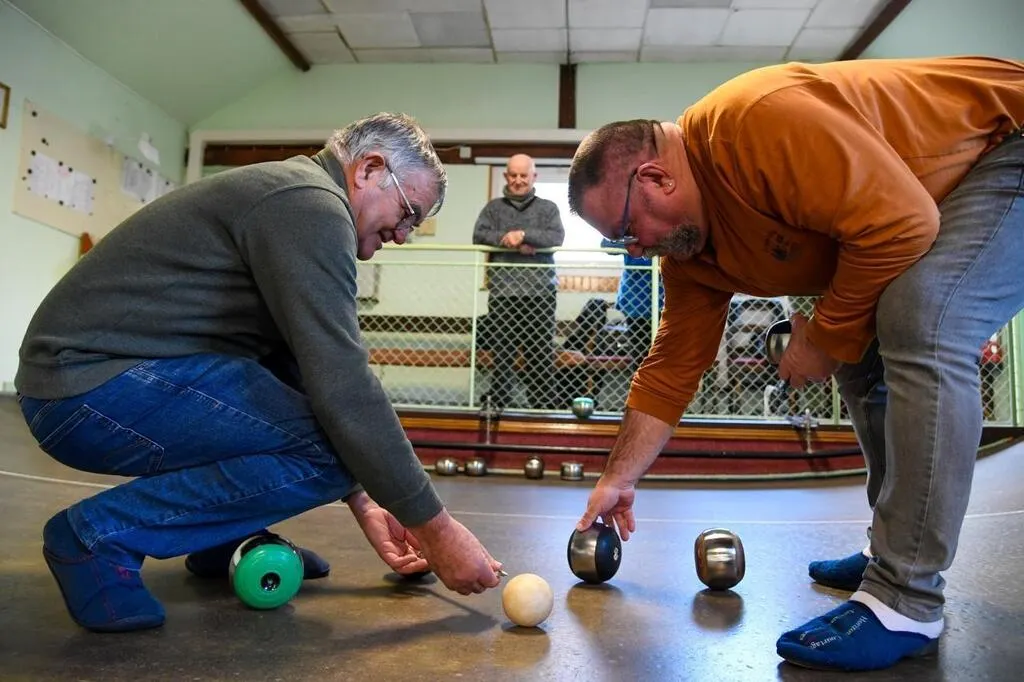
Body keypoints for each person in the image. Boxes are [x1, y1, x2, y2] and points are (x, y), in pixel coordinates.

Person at [565, 56, 1024, 672]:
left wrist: (824, 337)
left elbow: (904, 225)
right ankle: (893, 552)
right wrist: (618, 477)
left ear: (655, 178)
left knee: (924, 317)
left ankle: (906, 599)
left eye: (626, 230)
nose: (635, 249)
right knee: (863, 357)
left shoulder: (752, 126)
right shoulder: (692, 255)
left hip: (1008, 142)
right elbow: (671, 367)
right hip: (943, 196)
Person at [15, 112, 504, 634]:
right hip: (86, 389)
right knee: (328, 445)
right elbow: (342, 384)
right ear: (369, 169)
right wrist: (435, 528)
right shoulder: (309, 204)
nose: (405, 235)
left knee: (313, 429)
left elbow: (291, 367)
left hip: (93, 382)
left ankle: (217, 539)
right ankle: (98, 536)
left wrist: (363, 495)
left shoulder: (293, 197)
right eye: (409, 213)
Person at [473, 154, 565, 410]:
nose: (518, 180)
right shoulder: (493, 208)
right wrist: (507, 239)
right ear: (506, 176)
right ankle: (501, 402)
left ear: (533, 177)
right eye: (513, 175)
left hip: (541, 292)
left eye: (523, 175)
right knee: (503, 353)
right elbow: (478, 235)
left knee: (540, 353)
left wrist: (525, 235)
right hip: (503, 292)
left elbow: (557, 237)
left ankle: (543, 405)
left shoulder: (548, 208)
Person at [600, 238, 664, 367]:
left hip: (662, 301)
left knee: (662, 351)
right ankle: (642, 383)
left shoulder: (664, 230)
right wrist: (639, 243)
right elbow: (606, 244)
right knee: (640, 354)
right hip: (635, 302)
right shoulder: (631, 230)